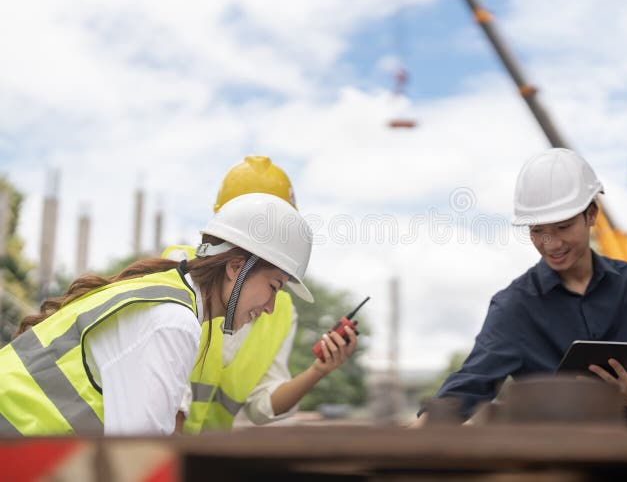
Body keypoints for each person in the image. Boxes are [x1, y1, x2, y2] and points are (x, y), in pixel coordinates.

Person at [0, 193, 334, 436]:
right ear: (236, 267)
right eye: (274, 286)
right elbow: (139, 462)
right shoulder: (172, 322)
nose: (271, 307)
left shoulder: (164, 293)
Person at [416, 148, 627, 428]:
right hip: (559, 453)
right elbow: (471, 383)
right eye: (537, 231)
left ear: (591, 215)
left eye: (562, 227)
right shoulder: (515, 306)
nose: (550, 244)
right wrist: (417, 433)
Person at [171, 156, 358, 433]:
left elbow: (261, 407)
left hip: (202, 457)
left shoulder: (280, 309)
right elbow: (168, 393)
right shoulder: (181, 273)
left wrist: (319, 370)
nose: (269, 305)